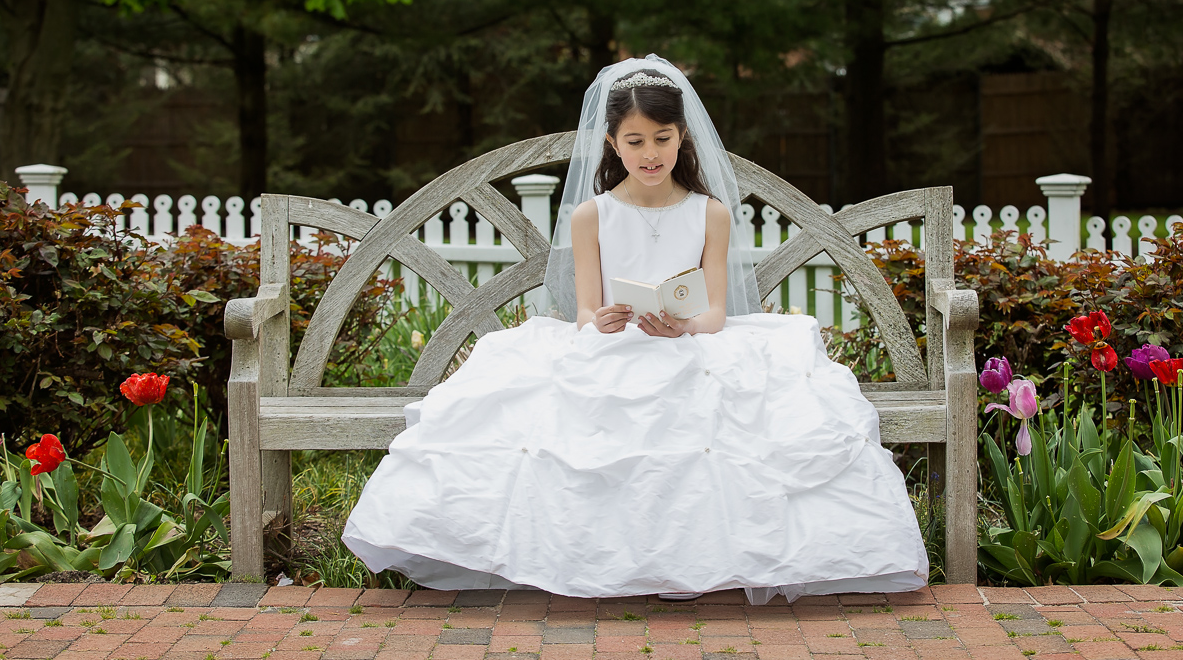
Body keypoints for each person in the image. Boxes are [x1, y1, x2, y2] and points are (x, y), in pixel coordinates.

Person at [342, 55, 929, 603]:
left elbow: (715, 312)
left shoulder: (710, 213)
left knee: (720, 418)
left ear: (682, 137)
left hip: (688, 342)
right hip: (615, 344)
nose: (651, 154)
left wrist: (683, 326)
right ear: (612, 143)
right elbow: (584, 311)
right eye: (636, 141)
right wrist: (600, 320)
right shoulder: (591, 214)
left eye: (663, 139)